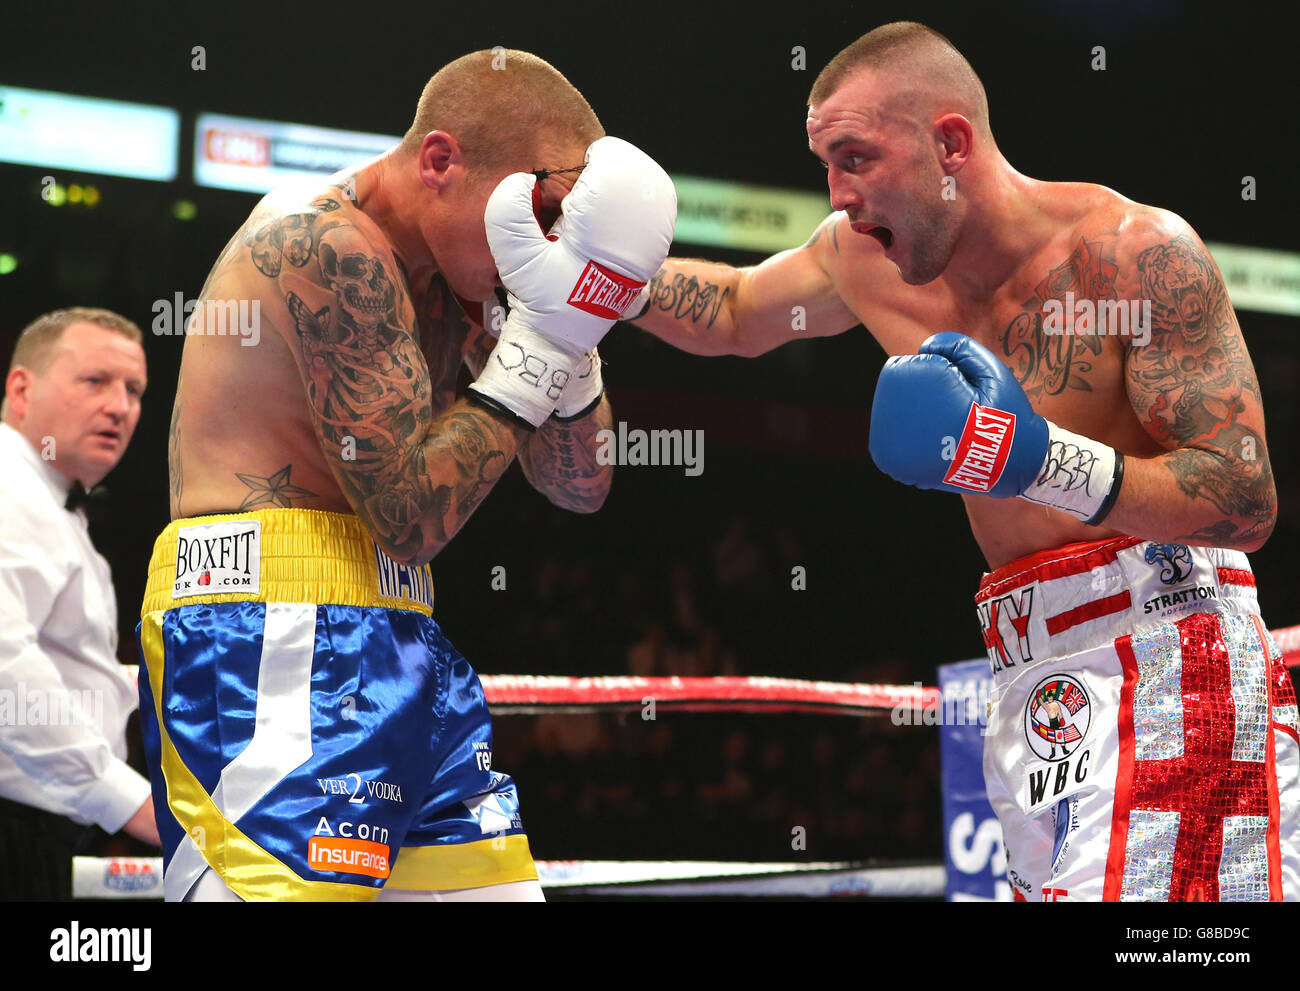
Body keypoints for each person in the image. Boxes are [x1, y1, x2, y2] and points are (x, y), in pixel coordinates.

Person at [632, 22, 1297, 901]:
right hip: (1030, 673)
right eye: (826, 163)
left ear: (950, 142)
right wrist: (590, 276)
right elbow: (734, 311)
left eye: (856, 158)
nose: (837, 195)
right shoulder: (860, 258)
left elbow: (1244, 495)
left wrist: (1039, 460)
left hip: (1170, 647)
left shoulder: (1133, 253)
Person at [138, 48, 675, 901]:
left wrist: (576, 338)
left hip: (403, 636)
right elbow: (409, 515)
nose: (544, 245)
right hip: (265, 632)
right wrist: (537, 347)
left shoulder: (470, 282)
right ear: (440, 161)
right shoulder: (328, 246)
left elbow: (580, 486)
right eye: (541, 213)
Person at [0, 307, 158, 900]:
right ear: (22, 389)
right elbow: (4, 666)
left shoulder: (54, 503)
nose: (120, 406)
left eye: (133, 389)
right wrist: (131, 802)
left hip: (43, 827)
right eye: (95, 381)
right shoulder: (11, 492)